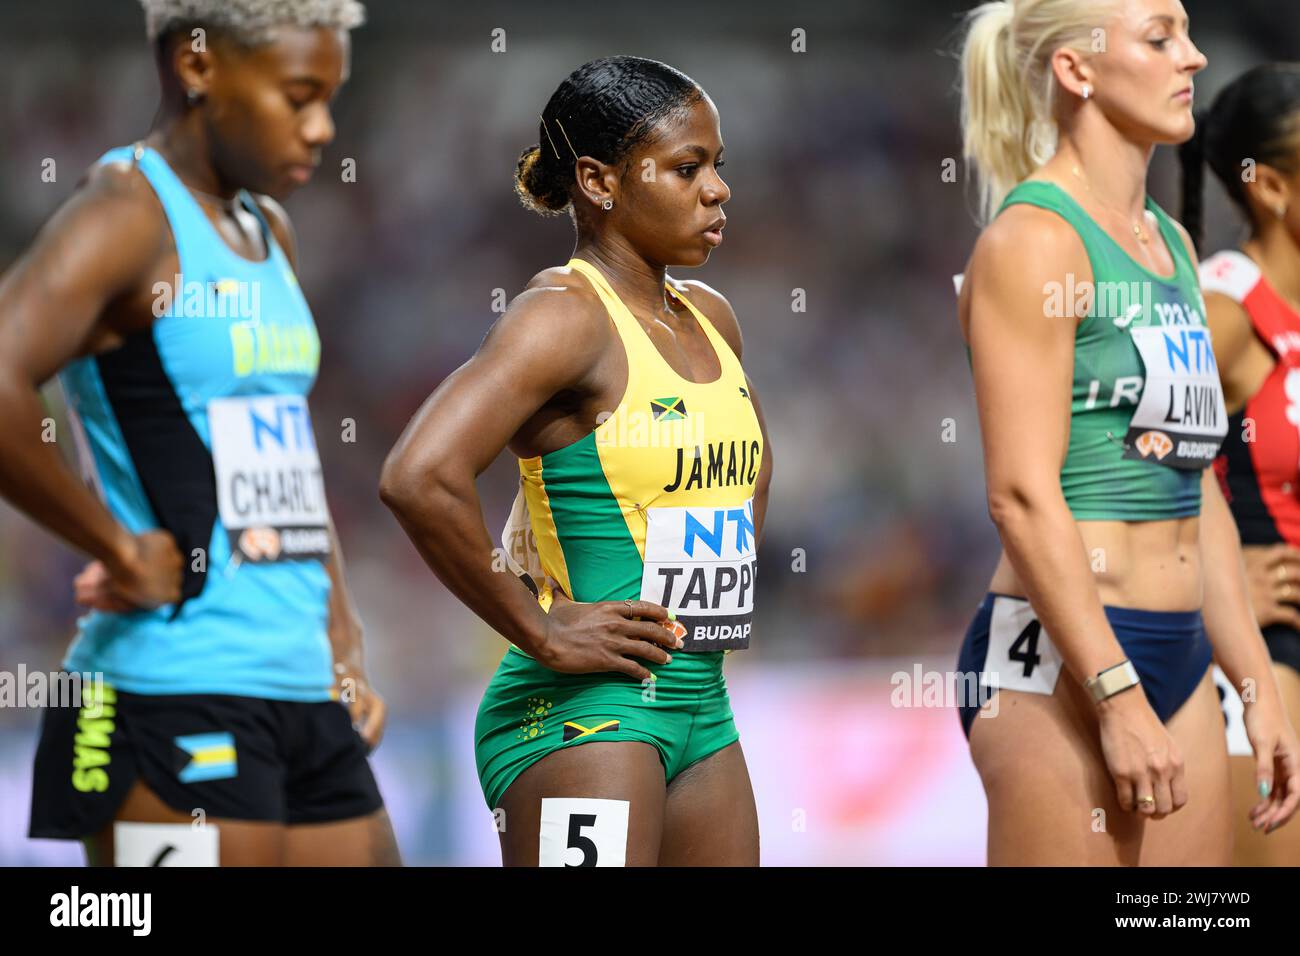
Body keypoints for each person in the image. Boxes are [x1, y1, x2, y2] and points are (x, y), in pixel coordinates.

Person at [4, 0, 398, 866]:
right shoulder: (125, 214)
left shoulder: (269, 231)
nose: (324, 126)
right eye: (299, 96)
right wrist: (108, 539)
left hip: (298, 689)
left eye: (330, 97)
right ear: (197, 67)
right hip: (163, 689)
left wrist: (344, 640)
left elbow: (282, 451)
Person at [380, 55, 771, 866]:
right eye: (688, 168)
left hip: (703, 705)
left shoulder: (712, 319)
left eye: (718, 168)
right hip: (587, 712)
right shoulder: (561, 318)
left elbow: (749, 471)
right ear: (599, 182)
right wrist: (542, 630)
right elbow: (419, 476)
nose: (718, 190)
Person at [952, 0, 1299, 865]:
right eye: (1161, 37)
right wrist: (1114, 697)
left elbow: (1199, 490)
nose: (1194, 57)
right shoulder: (1033, 242)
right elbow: (1022, 497)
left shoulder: (1173, 247)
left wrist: (1255, 683)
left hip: (1180, 654)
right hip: (1060, 661)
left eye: (1184, 33)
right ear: (1076, 70)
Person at [1181, 62, 1300, 865]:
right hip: (1270, 657)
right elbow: (1112, 462)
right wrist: (1209, 583)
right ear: (1274, 190)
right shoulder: (1221, 310)